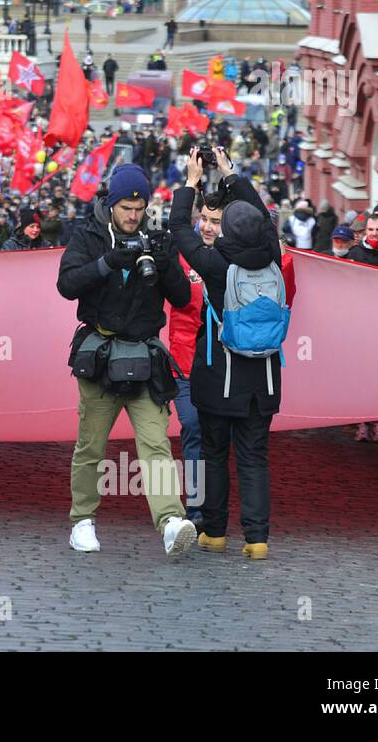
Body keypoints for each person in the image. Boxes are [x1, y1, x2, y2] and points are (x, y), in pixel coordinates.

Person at [59, 163, 196, 557]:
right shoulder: (88, 236)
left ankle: (170, 522)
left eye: (139, 209)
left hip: (145, 357)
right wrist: (107, 263)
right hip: (101, 356)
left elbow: (183, 298)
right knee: (91, 446)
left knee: (156, 445)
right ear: (112, 203)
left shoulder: (154, 240)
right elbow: (66, 285)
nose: (133, 217)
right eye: (125, 209)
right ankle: (82, 520)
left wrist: (167, 261)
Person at [169, 146, 285, 560]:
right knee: (255, 459)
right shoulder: (274, 258)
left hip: (219, 376)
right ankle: (257, 539)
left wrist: (191, 182)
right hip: (264, 379)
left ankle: (214, 533)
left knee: (214, 455)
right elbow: (266, 222)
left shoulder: (217, 265)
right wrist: (232, 175)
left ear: (227, 232)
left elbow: (177, 227)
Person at [166, 196, 225, 529]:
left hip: (223, 363)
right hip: (184, 359)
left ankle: (214, 506)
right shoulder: (181, 255)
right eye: (203, 218)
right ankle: (196, 507)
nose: (207, 226)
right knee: (192, 427)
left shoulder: (238, 258)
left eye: (215, 221)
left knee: (216, 435)